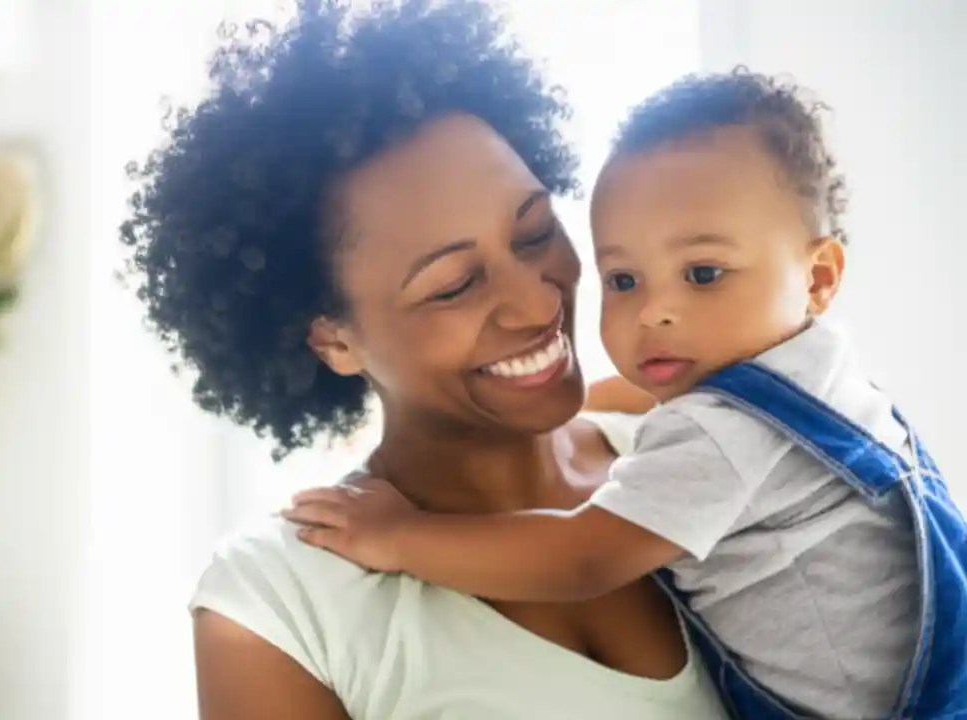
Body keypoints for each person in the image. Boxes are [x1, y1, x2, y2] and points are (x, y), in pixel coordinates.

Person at [286, 71, 967, 719]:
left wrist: (403, 537)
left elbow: (584, 556)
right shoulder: (817, 375)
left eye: (703, 273)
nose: (655, 313)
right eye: (623, 281)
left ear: (818, 276)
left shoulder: (718, 439)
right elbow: (653, 397)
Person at [121, 1, 727, 717]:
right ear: (335, 340)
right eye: (455, 286)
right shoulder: (276, 603)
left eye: (534, 232)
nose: (536, 305)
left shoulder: (694, 446)